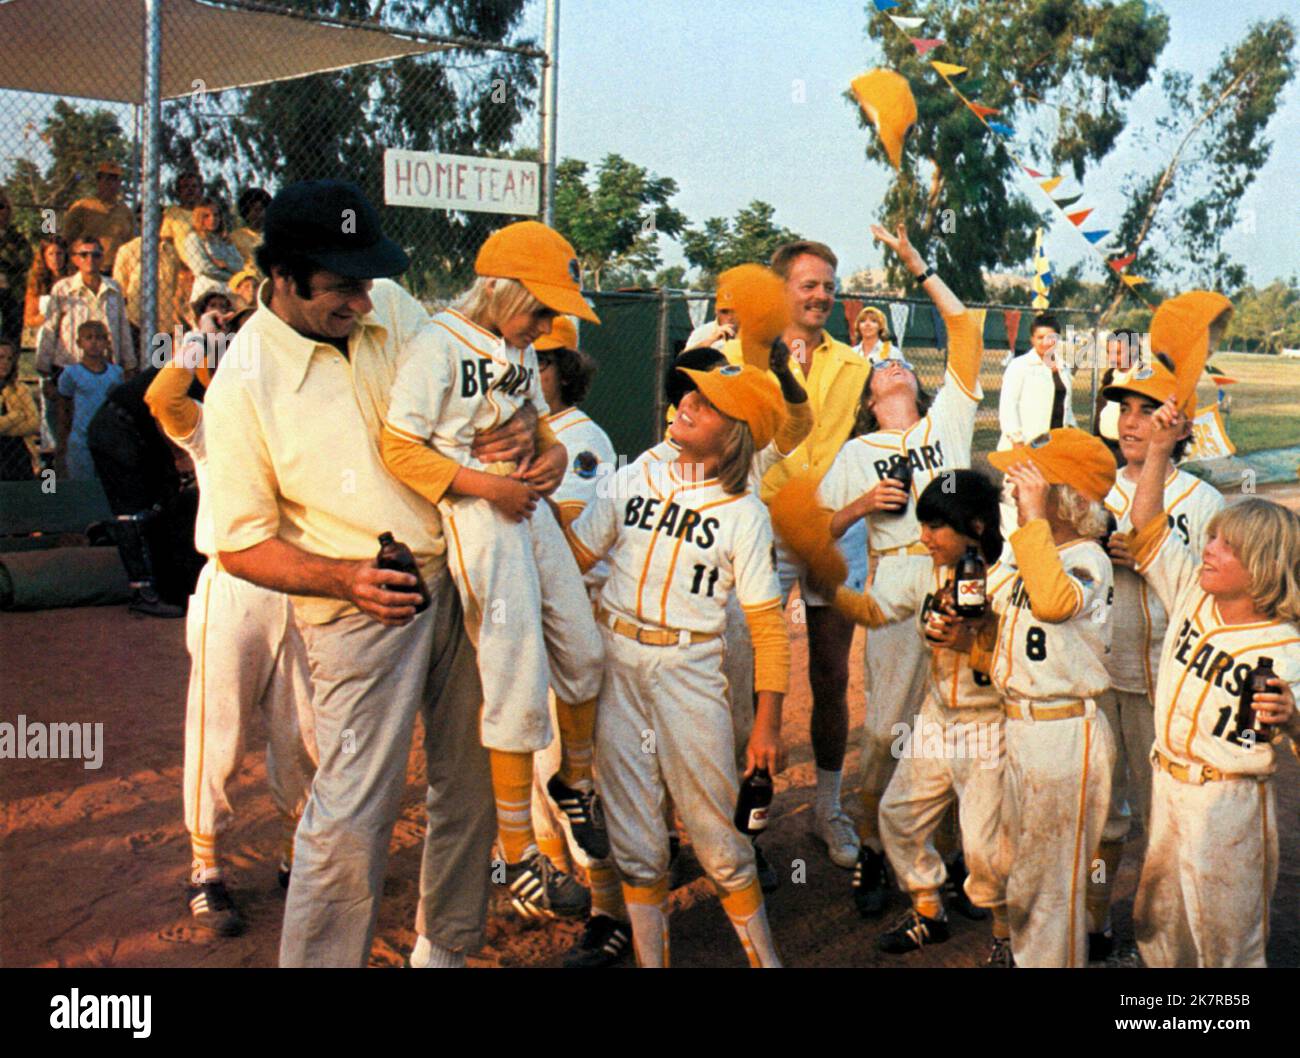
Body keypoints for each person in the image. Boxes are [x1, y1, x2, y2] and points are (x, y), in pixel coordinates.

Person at [204, 179, 523, 969]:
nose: (362, 298)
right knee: (351, 812)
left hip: (457, 569)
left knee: (472, 776)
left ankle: (442, 951)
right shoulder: (244, 382)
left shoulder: (392, 309)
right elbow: (238, 545)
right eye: (341, 284)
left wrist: (525, 438)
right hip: (355, 604)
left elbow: (471, 392)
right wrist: (343, 579)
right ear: (281, 276)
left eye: (367, 278)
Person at [382, 220, 605, 922]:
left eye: (551, 312)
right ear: (501, 289)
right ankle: (517, 853)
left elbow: (541, 428)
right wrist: (487, 488)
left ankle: (573, 780)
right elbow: (399, 448)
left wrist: (553, 458)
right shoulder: (437, 344)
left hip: (527, 502)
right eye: (538, 307)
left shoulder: (517, 346)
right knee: (513, 675)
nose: (545, 324)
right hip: (480, 516)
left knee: (585, 652)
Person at [555, 363, 792, 967]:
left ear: (735, 433)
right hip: (616, 662)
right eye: (692, 391)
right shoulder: (637, 472)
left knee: (719, 841)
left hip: (689, 670)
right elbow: (579, 551)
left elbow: (768, 628)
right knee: (636, 843)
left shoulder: (743, 512)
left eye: (709, 403)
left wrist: (766, 723)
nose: (688, 400)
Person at [817, 223, 987, 915]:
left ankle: (949, 858)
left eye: (899, 366)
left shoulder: (944, 424)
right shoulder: (858, 450)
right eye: (881, 369)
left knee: (964, 715)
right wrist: (861, 503)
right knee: (889, 726)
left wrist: (918, 264)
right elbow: (816, 530)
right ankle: (877, 849)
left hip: (955, 578)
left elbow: (967, 331)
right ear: (869, 397)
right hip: (891, 585)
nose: (891, 367)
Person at [771, 469, 1006, 956]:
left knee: (987, 853)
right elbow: (875, 610)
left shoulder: (1012, 578)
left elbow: (1029, 664)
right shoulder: (926, 570)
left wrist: (979, 643)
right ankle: (927, 910)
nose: (924, 537)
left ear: (977, 527)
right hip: (938, 719)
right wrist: (827, 577)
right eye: (922, 525)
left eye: (936, 527)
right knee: (896, 816)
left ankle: (1005, 940)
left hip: (991, 727)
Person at [145, 306, 317, 937]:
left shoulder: (300, 416)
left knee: (300, 735)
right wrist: (201, 339)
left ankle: (296, 859)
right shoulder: (212, 417)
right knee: (218, 735)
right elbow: (162, 396)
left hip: (294, 588)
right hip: (231, 589)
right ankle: (206, 870)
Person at [1127, 395, 1300, 968]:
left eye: (1226, 546)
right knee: (1158, 927)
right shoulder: (1191, 594)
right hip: (1168, 788)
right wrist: (1157, 450)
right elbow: (1147, 523)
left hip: (1229, 802)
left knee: (1227, 945)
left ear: (1263, 567)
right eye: (1212, 537)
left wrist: (1294, 717)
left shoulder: (1288, 648)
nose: (1209, 548)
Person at [721, 239, 870, 870]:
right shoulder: (733, 356)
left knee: (831, 674)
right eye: (809, 284)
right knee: (745, 673)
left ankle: (828, 809)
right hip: (759, 527)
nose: (822, 295)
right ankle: (744, 815)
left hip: (834, 526)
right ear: (780, 289)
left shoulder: (856, 364)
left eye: (829, 285)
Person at [1085, 357, 1224, 960]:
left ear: (1178, 421)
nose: (1132, 422)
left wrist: (1151, 555)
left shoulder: (1206, 499)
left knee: (1161, 822)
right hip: (1096, 673)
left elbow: (1217, 596)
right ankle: (1093, 923)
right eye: (1125, 408)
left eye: (1148, 409)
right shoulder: (1091, 490)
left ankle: (1167, 942)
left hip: (1166, 684)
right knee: (1098, 818)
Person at [982, 428, 1117, 967]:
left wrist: (1032, 522)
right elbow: (987, 605)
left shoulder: (1088, 558)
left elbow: (1056, 602)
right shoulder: (1028, 550)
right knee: (1018, 870)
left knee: (1050, 887)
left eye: (1032, 481)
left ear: (1067, 498)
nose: (1017, 489)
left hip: (1065, 735)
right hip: (1018, 728)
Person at [86, 360, 200, 619]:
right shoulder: (198, 366)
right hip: (117, 428)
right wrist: (180, 456)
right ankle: (144, 593)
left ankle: (171, 586)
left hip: (141, 432)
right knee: (133, 511)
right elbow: (161, 408)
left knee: (165, 502)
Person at [997, 313, 1076, 537]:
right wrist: (1017, 441)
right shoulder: (1020, 366)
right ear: (1032, 339)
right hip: (1024, 445)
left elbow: (1066, 408)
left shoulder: (1063, 367)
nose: (1045, 343)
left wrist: (1073, 435)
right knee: (1016, 498)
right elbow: (1008, 405)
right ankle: (1011, 551)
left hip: (1053, 447)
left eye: (1051, 337)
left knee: (1047, 499)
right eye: (1040, 337)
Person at [36, 236, 135, 376]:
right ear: (74, 259)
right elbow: (50, 328)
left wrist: (129, 363)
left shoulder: (113, 288)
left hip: (106, 366)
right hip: (70, 365)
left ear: (102, 258)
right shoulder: (63, 289)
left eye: (96, 255)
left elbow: (122, 327)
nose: (90, 259)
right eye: (84, 255)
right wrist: (43, 366)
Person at [56, 320, 124, 481]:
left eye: (99, 338)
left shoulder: (116, 373)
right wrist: (62, 441)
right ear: (79, 343)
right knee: (82, 485)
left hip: (108, 439)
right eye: (89, 338)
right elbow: (64, 406)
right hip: (81, 440)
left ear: (107, 342)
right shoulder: (71, 373)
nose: (94, 342)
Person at [113, 218, 181, 353]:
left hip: (164, 321)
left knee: (160, 365)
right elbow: (120, 288)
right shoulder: (127, 250)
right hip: (136, 320)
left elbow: (173, 286)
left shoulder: (171, 252)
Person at [64, 162, 136, 274]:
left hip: (117, 269)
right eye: (107, 179)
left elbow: (130, 243)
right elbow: (68, 238)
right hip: (87, 268)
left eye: (115, 180)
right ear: (99, 181)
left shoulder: (125, 211)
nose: (111, 184)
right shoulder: (83, 207)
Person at [1090, 329, 1142, 462]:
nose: (1112, 358)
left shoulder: (1144, 379)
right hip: (1105, 449)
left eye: (1118, 353)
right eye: (1109, 353)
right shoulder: (1110, 377)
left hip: (1130, 452)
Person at [179, 198, 244, 291]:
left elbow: (239, 264)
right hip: (208, 285)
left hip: (229, 287)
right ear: (199, 218)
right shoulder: (194, 238)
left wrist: (226, 265)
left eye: (216, 215)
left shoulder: (223, 239)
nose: (212, 219)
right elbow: (202, 268)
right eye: (206, 216)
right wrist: (231, 276)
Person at [0, 337, 39, 480]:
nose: (5, 363)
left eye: (9, 359)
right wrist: (17, 416)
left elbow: (34, 423)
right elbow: (24, 418)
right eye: (1, 357)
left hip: (18, 452)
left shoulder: (20, 389)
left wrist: (4, 428)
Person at [0, 190, 31, 342]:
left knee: (11, 336)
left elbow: (25, 260)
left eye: (5, 207)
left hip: (12, 291)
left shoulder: (16, 236)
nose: (2, 211)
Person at [685, 284, 738, 350]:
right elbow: (684, 358)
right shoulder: (701, 333)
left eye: (734, 311)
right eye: (724, 312)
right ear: (716, 311)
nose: (730, 317)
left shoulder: (749, 333)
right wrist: (711, 339)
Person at [230, 187, 270, 272]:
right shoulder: (236, 236)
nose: (259, 214)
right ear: (246, 213)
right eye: (254, 210)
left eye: (261, 209)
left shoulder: (273, 234)